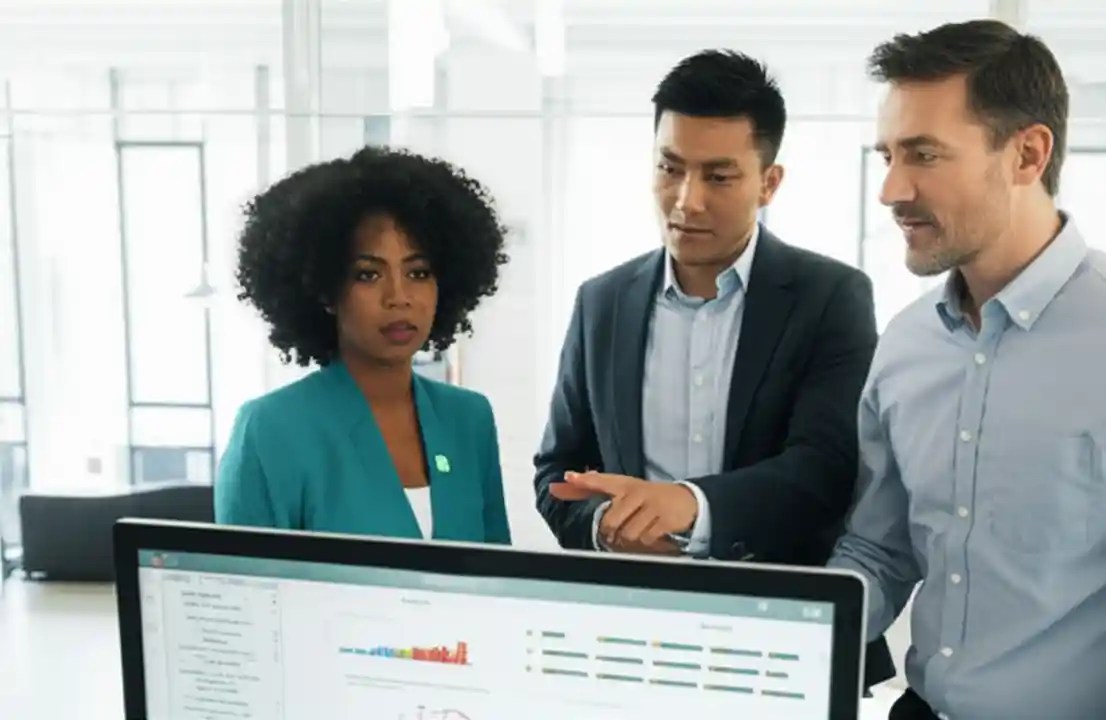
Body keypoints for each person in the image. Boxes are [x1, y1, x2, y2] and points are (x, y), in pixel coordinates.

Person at [828, 19, 1106, 720]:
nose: (890, 188)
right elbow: (881, 553)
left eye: (923, 155)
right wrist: (767, 642)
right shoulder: (907, 345)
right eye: (887, 153)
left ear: (1028, 154)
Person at [533, 49, 894, 687]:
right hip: (630, 638)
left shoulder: (830, 296)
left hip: (782, 640)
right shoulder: (602, 302)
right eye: (669, 168)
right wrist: (610, 529)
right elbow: (556, 473)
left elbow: (828, 467)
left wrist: (691, 508)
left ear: (769, 182)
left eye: (719, 177)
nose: (686, 199)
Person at [215, 146, 511, 545]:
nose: (399, 297)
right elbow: (244, 597)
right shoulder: (270, 430)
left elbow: (497, 583)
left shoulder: (469, 418)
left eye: (418, 272)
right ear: (324, 290)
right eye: (368, 275)